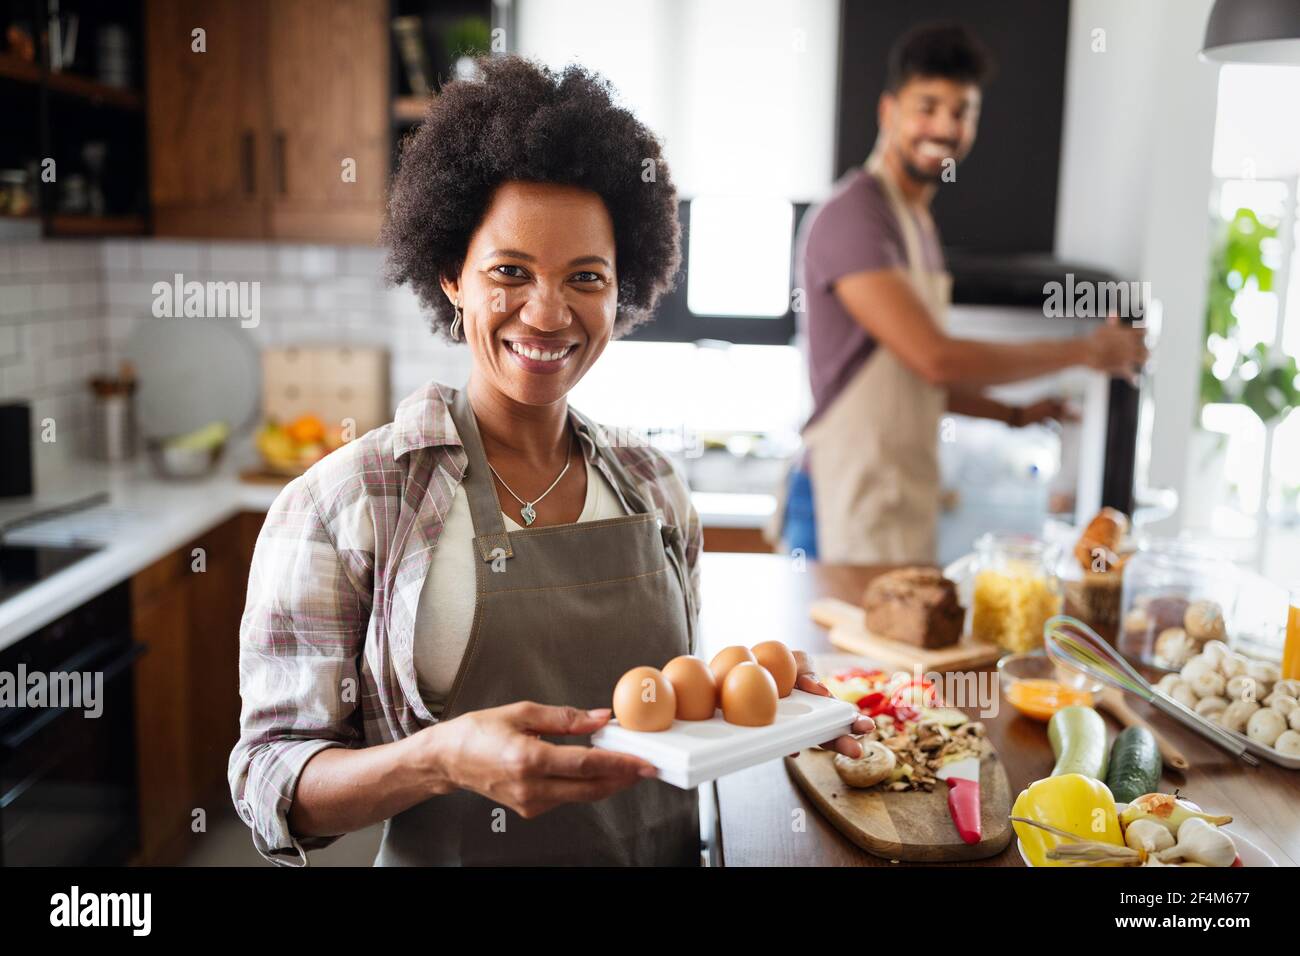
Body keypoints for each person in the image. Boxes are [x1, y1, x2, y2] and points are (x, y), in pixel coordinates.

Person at [229, 55, 871, 867]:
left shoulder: (654, 487)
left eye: (585, 278)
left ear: (622, 291)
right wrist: (440, 759)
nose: (547, 312)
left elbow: (661, 711)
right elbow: (268, 781)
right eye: (509, 272)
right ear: (450, 274)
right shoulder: (348, 501)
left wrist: (763, 698)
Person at [788, 23, 1148, 564]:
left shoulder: (918, 226)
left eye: (962, 111)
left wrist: (1014, 415)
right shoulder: (854, 216)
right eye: (927, 106)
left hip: (893, 495)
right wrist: (1086, 350)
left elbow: (906, 381)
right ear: (889, 112)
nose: (944, 126)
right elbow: (935, 359)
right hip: (841, 500)